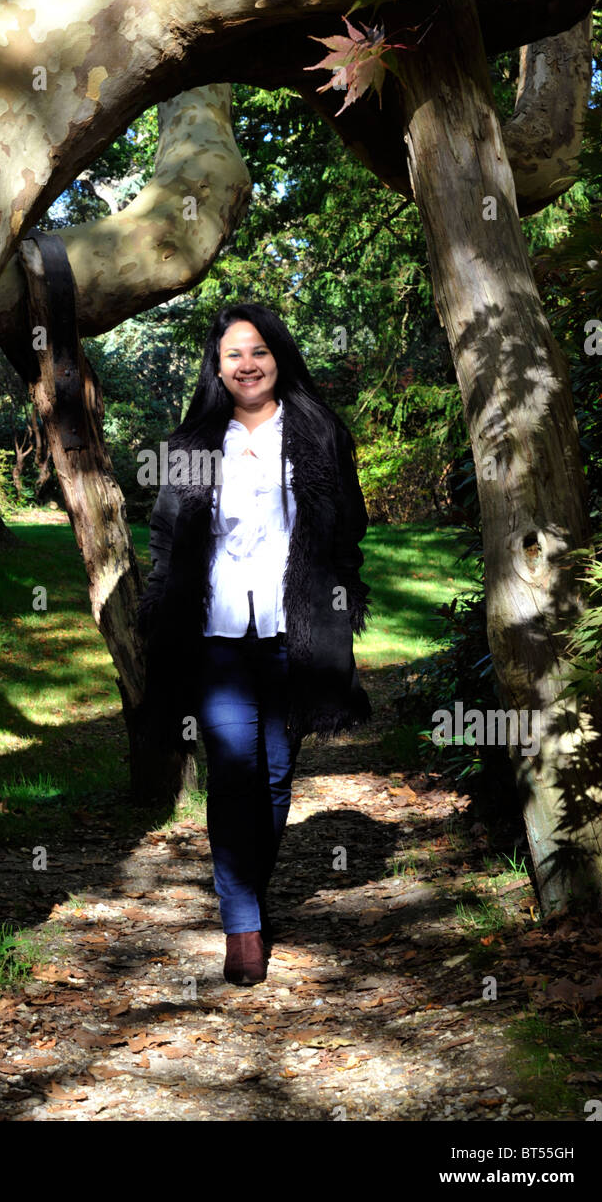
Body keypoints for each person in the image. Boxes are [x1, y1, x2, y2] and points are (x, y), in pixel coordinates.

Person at [137, 303, 371, 986]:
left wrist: (335, 595)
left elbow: (346, 526)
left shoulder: (319, 432)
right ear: (216, 369)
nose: (247, 364)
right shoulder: (189, 445)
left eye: (259, 351)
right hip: (213, 634)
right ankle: (241, 924)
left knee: (273, 773)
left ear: (279, 358)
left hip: (292, 629)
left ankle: (251, 897)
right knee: (234, 768)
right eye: (233, 355)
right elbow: (163, 539)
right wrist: (162, 606)